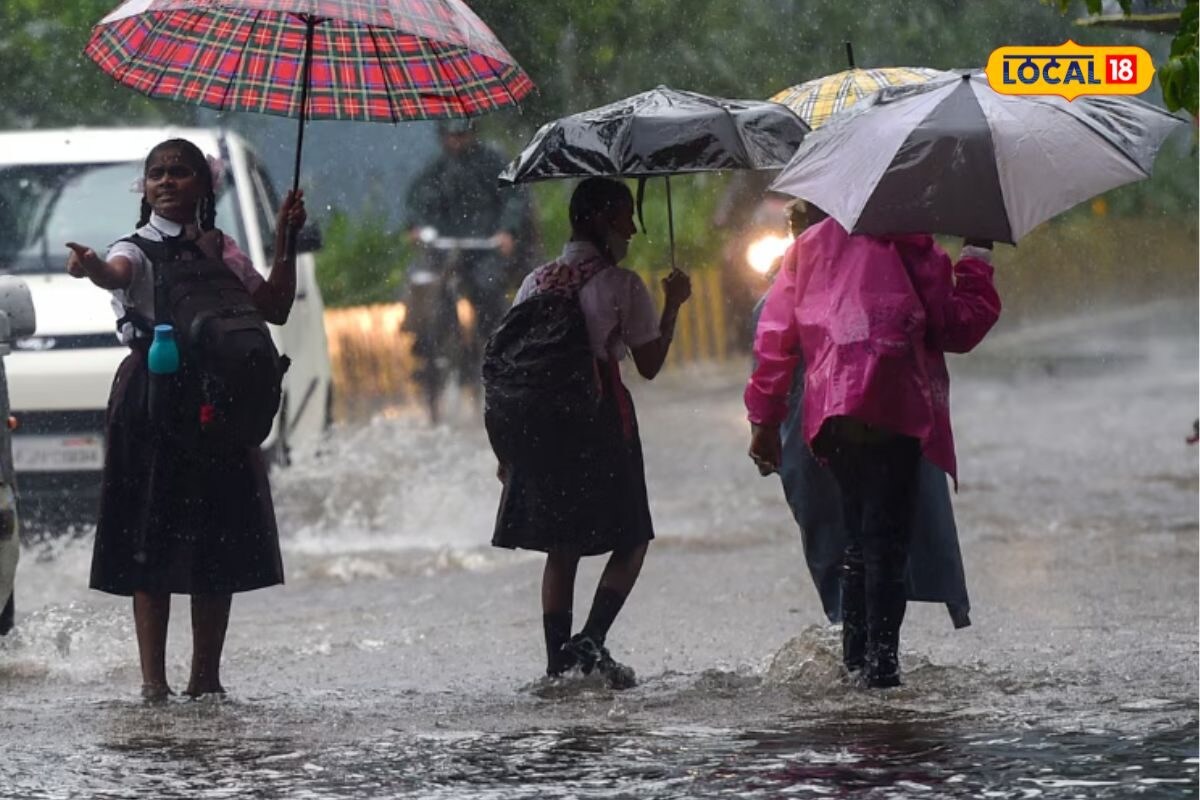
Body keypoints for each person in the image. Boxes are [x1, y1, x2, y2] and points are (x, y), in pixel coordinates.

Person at [65, 138, 306, 700]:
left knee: (215, 540)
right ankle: (154, 683)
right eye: (157, 174)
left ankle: (207, 679)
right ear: (144, 188)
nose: (167, 182)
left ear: (203, 187)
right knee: (150, 537)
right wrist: (92, 267)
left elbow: (274, 306)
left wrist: (286, 242)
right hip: (153, 405)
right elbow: (116, 272)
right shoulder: (135, 247)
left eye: (179, 173)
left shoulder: (222, 248)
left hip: (218, 409)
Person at [745, 213, 1000, 688]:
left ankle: (855, 665)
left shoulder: (807, 247)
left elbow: (775, 337)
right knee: (886, 543)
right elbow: (957, 326)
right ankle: (882, 671)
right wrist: (977, 257)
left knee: (858, 541)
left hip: (832, 412)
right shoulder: (910, 242)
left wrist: (764, 419)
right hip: (894, 405)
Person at [492, 177, 691, 688]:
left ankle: (557, 665)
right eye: (625, 215)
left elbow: (513, 363)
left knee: (562, 547)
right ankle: (592, 638)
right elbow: (649, 363)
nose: (632, 227)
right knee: (633, 538)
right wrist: (673, 306)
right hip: (599, 421)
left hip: (540, 429)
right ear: (601, 219)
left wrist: (506, 448)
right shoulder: (622, 285)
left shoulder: (536, 280)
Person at [404, 119, 530, 364]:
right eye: (450, 136)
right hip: (446, 248)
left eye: (461, 135)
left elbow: (513, 199)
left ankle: (497, 345)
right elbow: (417, 201)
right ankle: (430, 344)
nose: (456, 141)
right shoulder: (436, 169)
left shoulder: (493, 162)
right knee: (425, 286)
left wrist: (507, 230)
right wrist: (415, 226)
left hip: (485, 248)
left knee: (487, 288)